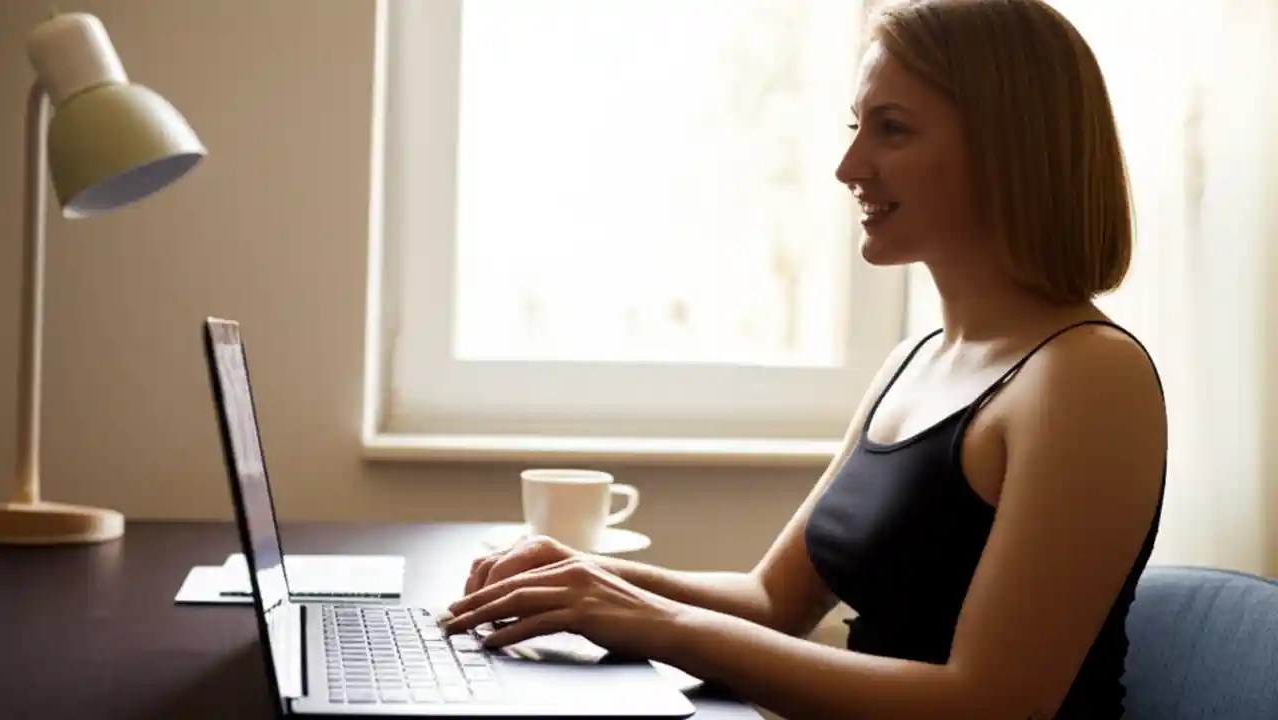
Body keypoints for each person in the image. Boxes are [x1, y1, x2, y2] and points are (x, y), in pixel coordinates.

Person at [442, 1, 1167, 718]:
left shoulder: (1087, 376)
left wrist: (653, 622)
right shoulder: (915, 363)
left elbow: (992, 704)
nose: (849, 165)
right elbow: (771, 603)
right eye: (858, 127)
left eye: (893, 130)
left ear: (1011, 147)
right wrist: (587, 576)